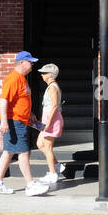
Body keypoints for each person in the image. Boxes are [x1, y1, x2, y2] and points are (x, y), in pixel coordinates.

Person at [0, 51, 37, 195]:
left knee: (8, 152)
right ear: (22, 62)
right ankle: (30, 185)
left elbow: (20, 100)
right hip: (13, 121)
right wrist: (4, 121)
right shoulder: (13, 79)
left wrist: (30, 114)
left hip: (17, 120)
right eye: (30, 62)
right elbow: (4, 100)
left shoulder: (22, 78)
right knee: (23, 152)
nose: (32, 64)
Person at [26, 62, 66, 196]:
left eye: (44, 73)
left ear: (50, 75)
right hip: (49, 118)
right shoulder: (51, 87)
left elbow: (54, 106)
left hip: (52, 119)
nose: (42, 75)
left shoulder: (53, 87)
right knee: (39, 144)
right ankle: (57, 166)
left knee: (47, 147)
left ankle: (53, 173)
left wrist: (48, 122)